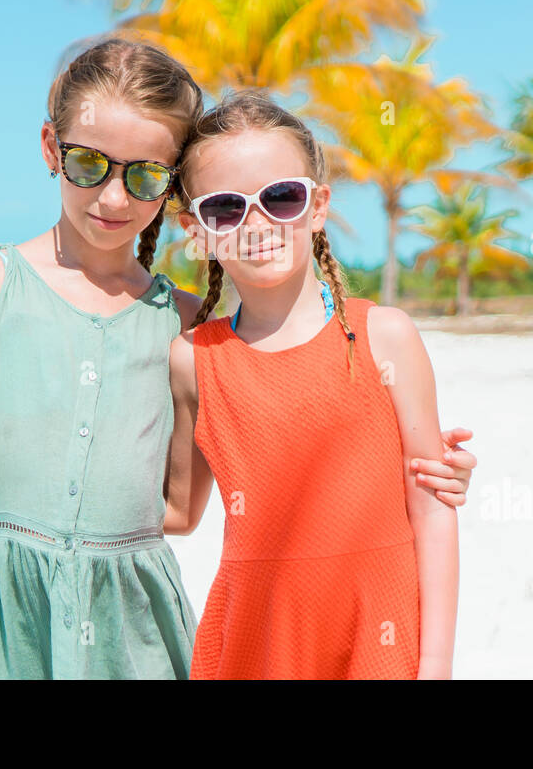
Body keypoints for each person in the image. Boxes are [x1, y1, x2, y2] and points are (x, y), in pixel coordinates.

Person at [0, 38, 476, 678]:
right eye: (88, 164)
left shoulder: (184, 326)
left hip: (131, 627)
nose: (115, 198)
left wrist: (415, 480)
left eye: (145, 175)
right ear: (49, 149)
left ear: (171, 189)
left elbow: (178, 508)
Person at [166, 90, 459, 678]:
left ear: (318, 205)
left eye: (280, 197)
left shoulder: (387, 336)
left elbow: (433, 509)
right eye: (225, 207)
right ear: (194, 229)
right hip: (253, 640)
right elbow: (177, 512)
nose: (257, 224)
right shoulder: (192, 358)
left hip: (379, 635)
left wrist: (436, 665)